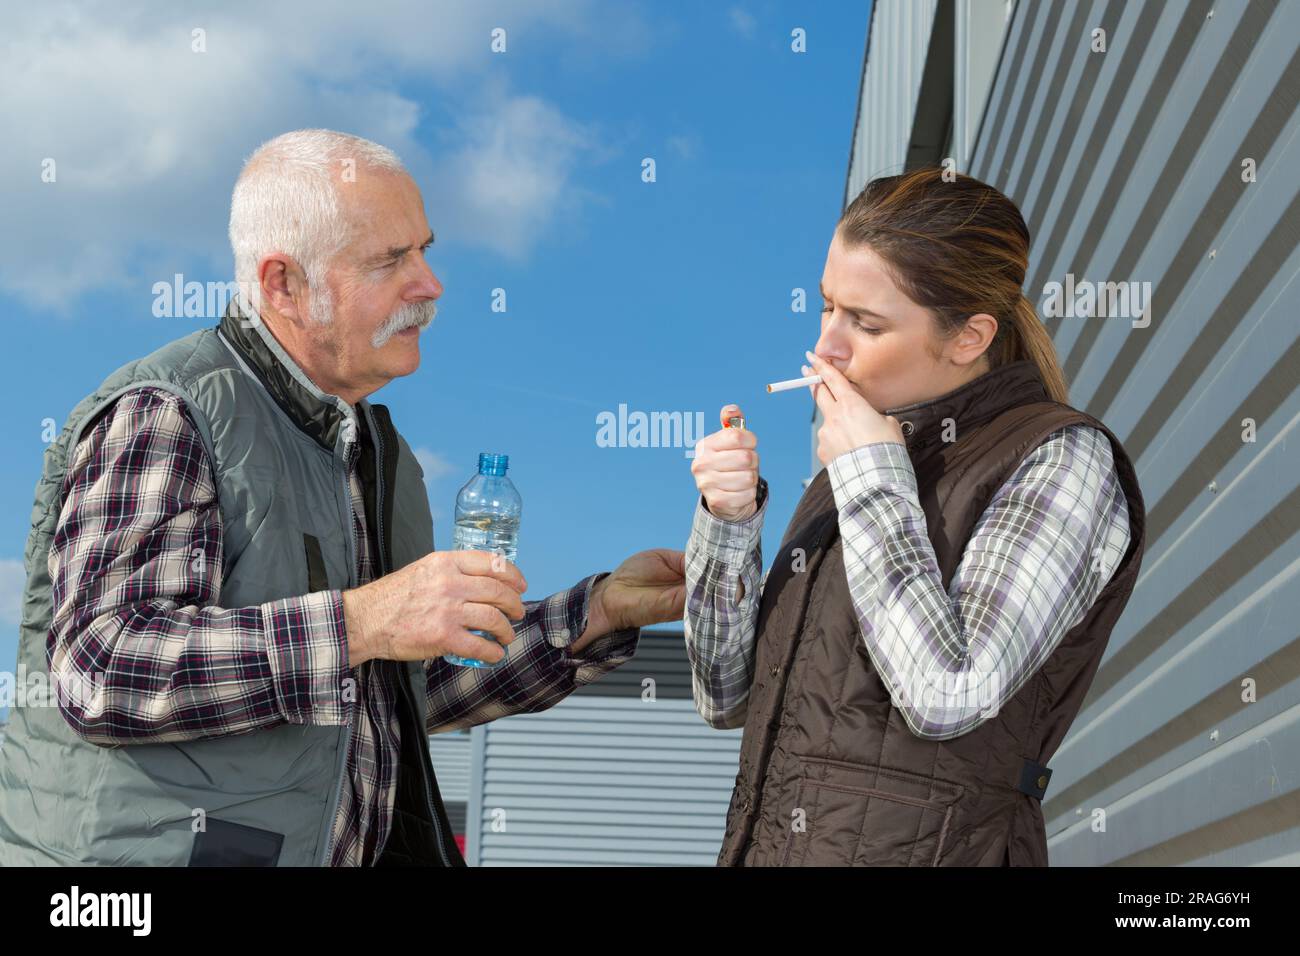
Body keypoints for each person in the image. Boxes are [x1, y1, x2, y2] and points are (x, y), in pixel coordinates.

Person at [0, 129, 686, 867]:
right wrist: (365, 620)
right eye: (390, 262)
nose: (430, 285)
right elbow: (103, 671)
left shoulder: (377, 454)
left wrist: (599, 612)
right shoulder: (168, 413)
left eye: (424, 250)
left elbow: (396, 694)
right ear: (282, 284)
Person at [684, 167, 1146, 866]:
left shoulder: (1061, 461)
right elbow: (723, 697)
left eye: (865, 323)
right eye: (825, 307)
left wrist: (870, 476)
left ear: (967, 338)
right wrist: (729, 522)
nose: (827, 348)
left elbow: (947, 694)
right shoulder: (855, 469)